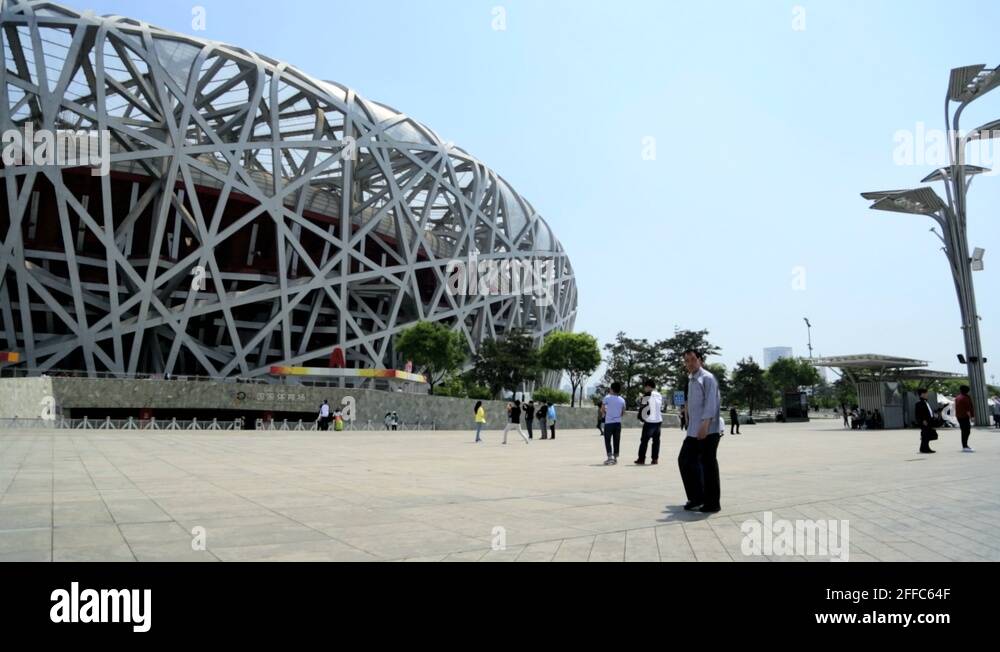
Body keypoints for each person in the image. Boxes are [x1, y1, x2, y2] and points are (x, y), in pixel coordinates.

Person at [678, 349, 723, 514]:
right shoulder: (691, 380)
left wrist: (705, 424)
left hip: (708, 430)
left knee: (708, 466)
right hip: (693, 431)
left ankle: (712, 503)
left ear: (700, 360)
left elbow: (711, 403)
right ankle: (697, 497)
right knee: (685, 461)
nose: (690, 363)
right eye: (687, 360)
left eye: (693, 359)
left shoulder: (707, 378)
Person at [635, 379, 663, 465]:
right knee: (656, 441)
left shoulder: (647, 395)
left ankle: (641, 459)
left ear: (648, 387)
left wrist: (641, 418)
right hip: (658, 420)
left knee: (644, 441)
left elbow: (643, 408)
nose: (644, 389)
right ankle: (655, 459)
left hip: (649, 421)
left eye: (645, 387)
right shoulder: (659, 395)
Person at [601, 383, 626, 465]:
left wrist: (607, 414)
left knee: (607, 440)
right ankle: (615, 458)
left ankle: (609, 457)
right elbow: (623, 412)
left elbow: (602, 409)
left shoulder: (607, 398)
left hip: (609, 423)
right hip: (618, 423)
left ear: (611, 389)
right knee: (616, 440)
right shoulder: (622, 400)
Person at [915, 388, 938, 454]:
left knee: (927, 435)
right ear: (922, 394)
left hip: (929, 421)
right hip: (925, 422)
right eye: (926, 393)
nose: (927, 395)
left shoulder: (926, 402)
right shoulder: (919, 403)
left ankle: (924, 448)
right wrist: (922, 420)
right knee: (925, 435)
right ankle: (925, 449)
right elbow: (918, 414)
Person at [954, 385, 975, 452]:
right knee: (966, 431)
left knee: (964, 431)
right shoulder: (966, 397)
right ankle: (965, 446)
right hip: (964, 416)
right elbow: (968, 408)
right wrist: (971, 417)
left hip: (959, 416)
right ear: (967, 391)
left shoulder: (957, 397)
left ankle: (965, 445)